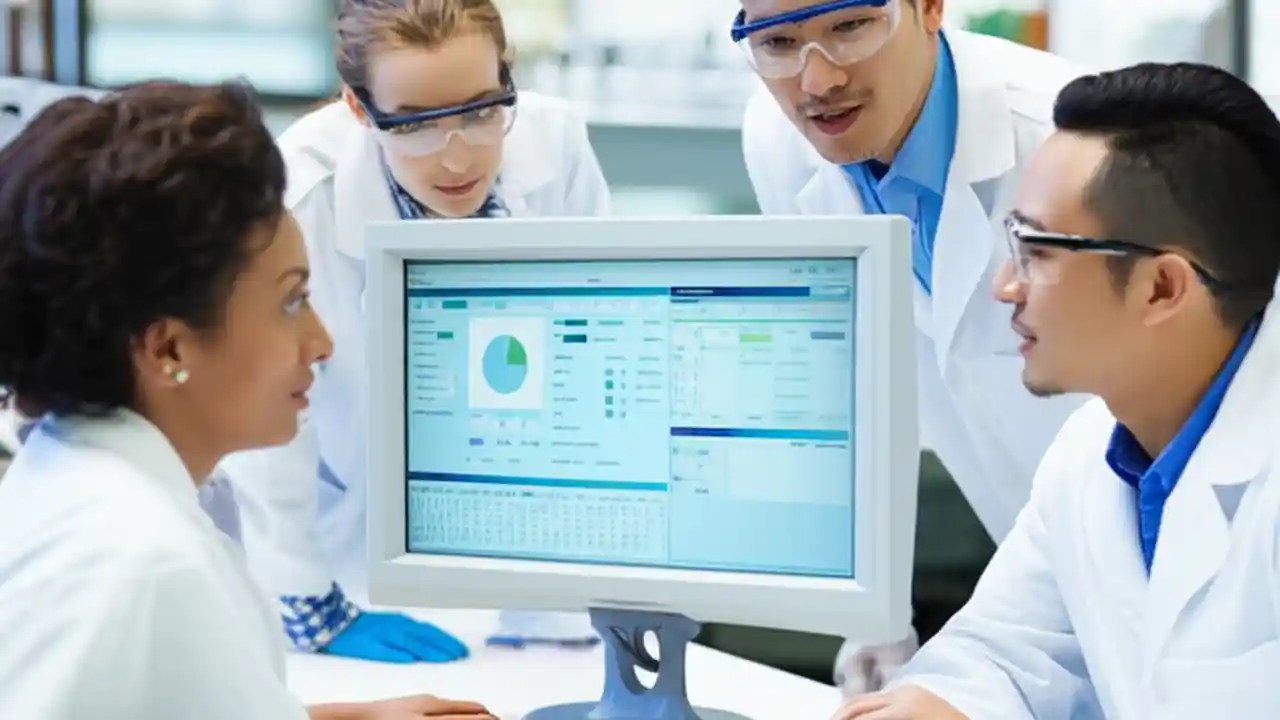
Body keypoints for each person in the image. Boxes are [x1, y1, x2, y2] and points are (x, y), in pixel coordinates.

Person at [0, 82, 495, 719]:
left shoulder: (71, 479)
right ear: (168, 350)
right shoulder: (143, 561)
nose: (321, 343)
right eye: (291, 301)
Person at [834, 62, 1280, 720]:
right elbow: (1008, 650)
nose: (1004, 287)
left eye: (1036, 252)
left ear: (1161, 287)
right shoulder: (1092, 451)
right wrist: (937, 704)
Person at [218, 0, 608, 664]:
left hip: (529, 521)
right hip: (347, 543)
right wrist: (311, 604)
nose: (457, 156)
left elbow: (599, 336)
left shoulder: (556, 144)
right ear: (359, 109)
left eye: (482, 111)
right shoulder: (299, 197)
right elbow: (265, 421)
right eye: (416, 126)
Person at [733, 0, 1089, 690]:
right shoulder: (780, 141)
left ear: (930, 7)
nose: (817, 82)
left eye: (850, 27)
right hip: (1027, 572)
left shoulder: (1063, 141)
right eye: (777, 42)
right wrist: (875, 611)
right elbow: (853, 373)